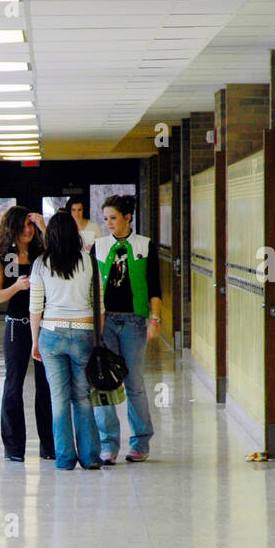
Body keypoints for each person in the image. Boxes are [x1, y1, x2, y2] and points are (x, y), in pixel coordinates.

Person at [28, 211, 102, 471]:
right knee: (82, 397)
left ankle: (65, 459)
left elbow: (35, 307)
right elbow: (98, 305)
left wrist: (35, 340)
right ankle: (91, 457)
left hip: (51, 334)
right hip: (83, 333)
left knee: (58, 399)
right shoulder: (88, 261)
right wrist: (97, 339)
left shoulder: (40, 264)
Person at [92, 194, 162, 463]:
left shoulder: (145, 245)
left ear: (128, 218)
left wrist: (154, 320)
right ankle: (108, 443)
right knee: (104, 381)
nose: (109, 223)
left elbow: (154, 287)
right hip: (105, 321)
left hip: (134, 321)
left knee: (134, 383)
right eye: (106, 219)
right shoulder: (97, 247)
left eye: (113, 218)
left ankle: (141, 441)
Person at [0, 205, 54, 462]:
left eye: (31, 226)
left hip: (43, 325)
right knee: (14, 384)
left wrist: (45, 227)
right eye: (24, 226)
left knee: (45, 386)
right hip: (17, 325)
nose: (28, 231)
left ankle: (49, 446)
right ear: (13, 228)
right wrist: (16, 286)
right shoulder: (5, 258)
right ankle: (14, 448)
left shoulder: (41, 255)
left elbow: (61, 253)